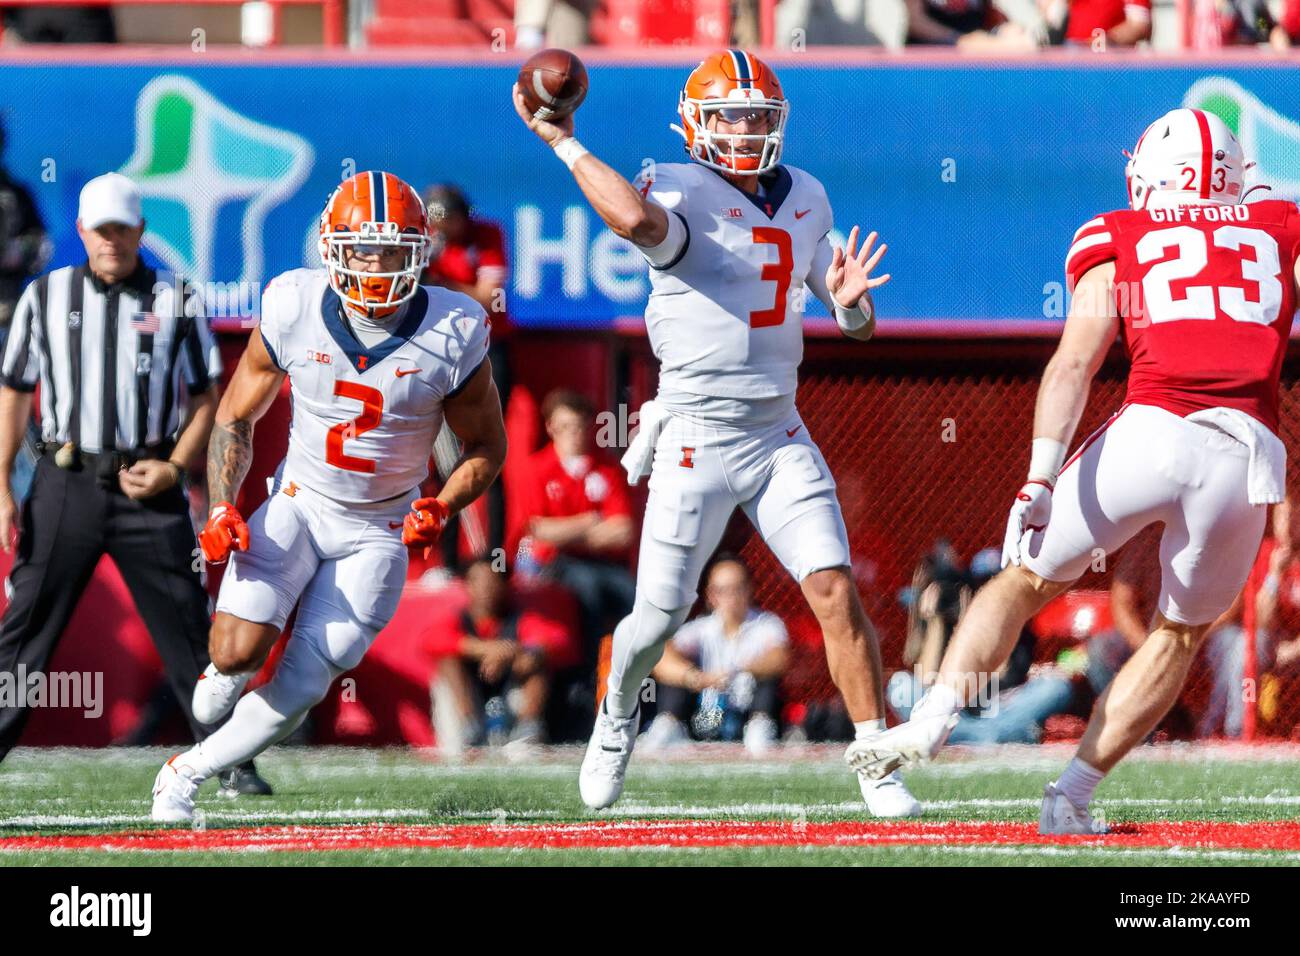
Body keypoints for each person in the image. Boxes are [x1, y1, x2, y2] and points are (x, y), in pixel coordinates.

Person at [850, 108, 1300, 834]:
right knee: (1178, 635)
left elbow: (1075, 361)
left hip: (1152, 430)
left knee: (1023, 578)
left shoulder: (1120, 232)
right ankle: (1073, 796)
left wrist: (1039, 476)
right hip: (1243, 456)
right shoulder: (1280, 225)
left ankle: (932, 719)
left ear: (1155, 173)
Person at [514, 49, 919, 817]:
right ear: (694, 124)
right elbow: (633, 220)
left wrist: (851, 306)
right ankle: (616, 714)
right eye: (731, 114)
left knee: (833, 590)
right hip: (696, 434)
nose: (745, 129)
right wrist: (563, 140)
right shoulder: (674, 185)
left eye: (759, 117)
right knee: (659, 615)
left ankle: (876, 760)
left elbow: (854, 324)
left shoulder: (807, 196)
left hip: (777, 431)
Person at [150, 171, 507, 821]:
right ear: (332, 247)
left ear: (419, 251)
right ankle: (222, 675)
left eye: (392, 248)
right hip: (300, 502)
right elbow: (234, 416)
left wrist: (444, 505)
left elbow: (487, 447)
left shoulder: (454, 328)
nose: (375, 265)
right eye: (362, 248)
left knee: (307, 681)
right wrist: (226, 504)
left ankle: (185, 773)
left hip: (380, 527)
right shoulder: (293, 304)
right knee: (231, 656)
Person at [0, 172, 266, 795]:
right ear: (82, 231)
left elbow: (208, 400)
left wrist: (175, 466)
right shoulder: (46, 296)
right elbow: (13, 394)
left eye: (122, 228)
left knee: (189, 629)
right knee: (24, 630)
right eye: (101, 229)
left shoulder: (176, 297)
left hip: (150, 483)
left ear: (141, 230)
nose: (112, 240)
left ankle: (231, 759)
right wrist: (1, 485)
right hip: (66, 482)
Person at [422, 184, 510, 564]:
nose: (443, 229)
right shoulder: (422, 240)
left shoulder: (486, 235)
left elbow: (490, 296)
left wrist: (441, 283)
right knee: (443, 460)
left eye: (449, 220)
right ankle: (450, 561)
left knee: (487, 450)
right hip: (439, 352)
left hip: (488, 350)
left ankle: (493, 558)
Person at [520, 389, 635, 662]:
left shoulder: (605, 469)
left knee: (633, 593)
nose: (574, 433)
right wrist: (590, 521)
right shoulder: (537, 468)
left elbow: (624, 531)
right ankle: (586, 675)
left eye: (580, 426)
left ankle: (632, 675)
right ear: (550, 428)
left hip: (601, 562)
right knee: (588, 589)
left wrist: (567, 533)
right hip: (552, 562)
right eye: (565, 427)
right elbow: (537, 529)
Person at [645, 555, 789, 754]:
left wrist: (737, 671)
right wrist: (695, 678)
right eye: (722, 590)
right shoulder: (701, 628)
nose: (730, 597)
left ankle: (760, 729)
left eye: (736, 588)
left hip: (746, 707)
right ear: (711, 595)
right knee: (676, 676)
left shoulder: (766, 625)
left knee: (766, 681)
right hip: (706, 710)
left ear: (749, 589)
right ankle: (669, 725)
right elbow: (661, 660)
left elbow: (779, 659)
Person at [430, 557, 550, 752]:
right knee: (448, 662)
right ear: (467, 585)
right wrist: (490, 650)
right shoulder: (457, 619)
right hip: (470, 700)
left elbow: (547, 643)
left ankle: (527, 728)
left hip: (510, 695)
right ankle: (468, 728)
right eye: (478, 581)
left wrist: (510, 653)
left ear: (503, 585)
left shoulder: (519, 619)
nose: (486, 589)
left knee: (535, 663)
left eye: (492, 581)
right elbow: (433, 641)